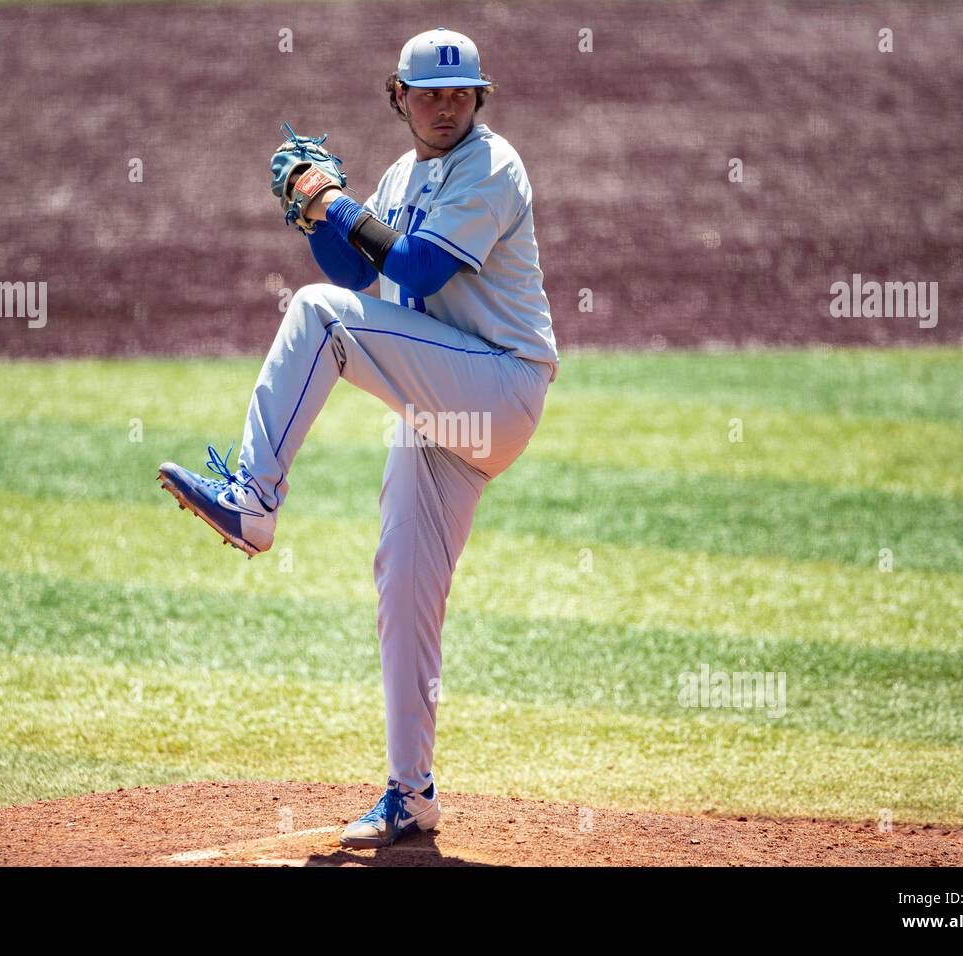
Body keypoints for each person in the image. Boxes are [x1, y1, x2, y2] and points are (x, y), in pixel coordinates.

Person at [158, 26, 557, 848]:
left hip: (499, 388)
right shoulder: (405, 175)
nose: (444, 105)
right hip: (440, 409)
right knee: (403, 587)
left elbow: (414, 271)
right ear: (398, 97)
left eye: (459, 92)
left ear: (478, 97)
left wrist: (339, 202)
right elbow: (361, 277)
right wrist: (318, 220)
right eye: (427, 92)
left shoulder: (491, 164)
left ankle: (254, 497)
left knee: (314, 315)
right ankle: (411, 794)